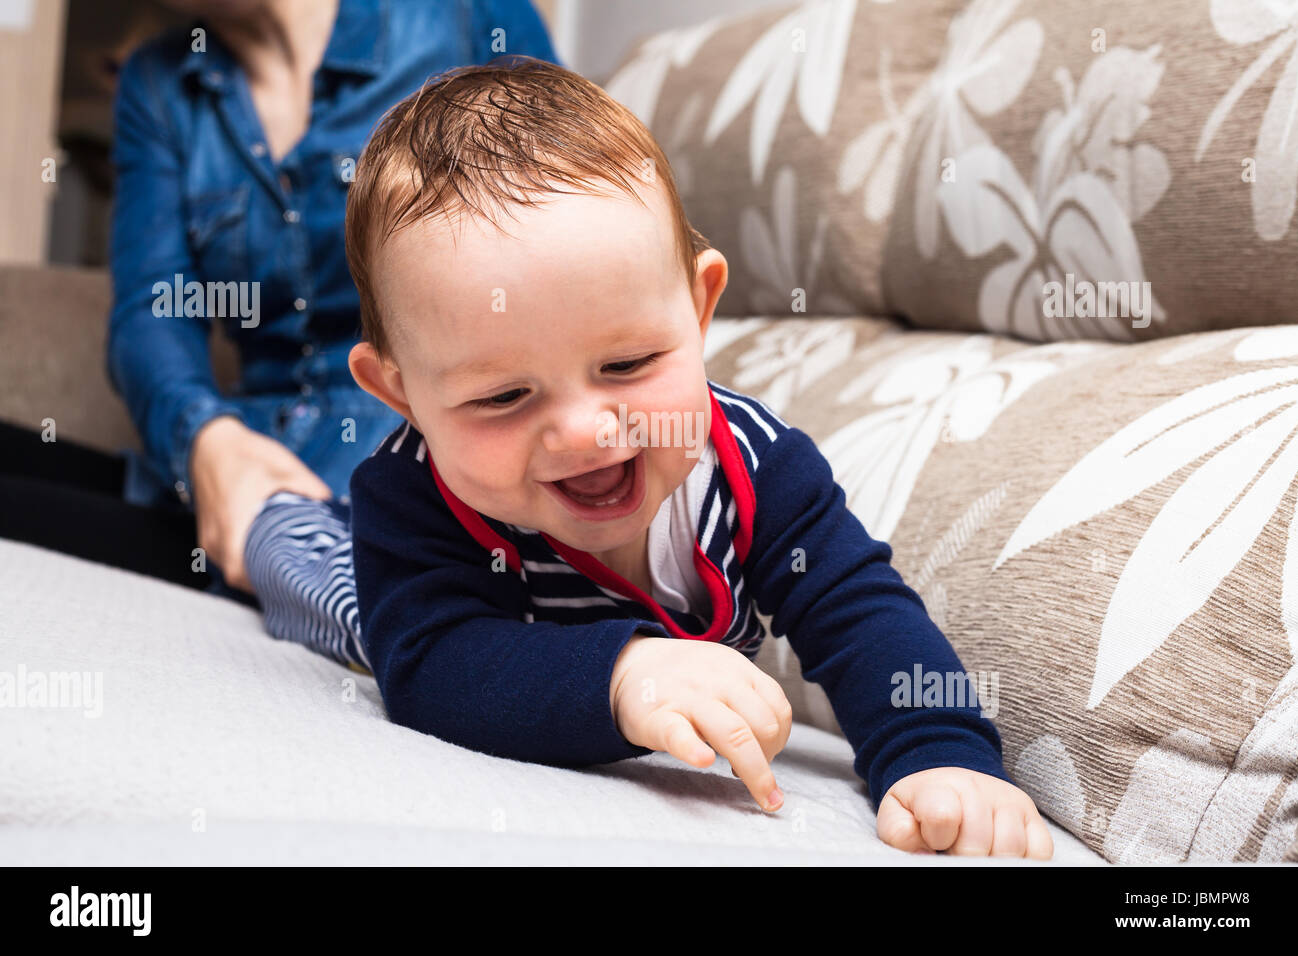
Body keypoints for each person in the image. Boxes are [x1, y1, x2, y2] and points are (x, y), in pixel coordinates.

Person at [241, 57, 1056, 858]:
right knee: (321, 582)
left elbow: (859, 612)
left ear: (700, 309)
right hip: (373, 577)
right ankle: (266, 514)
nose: (587, 433)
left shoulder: (757, 469)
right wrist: (620, 677)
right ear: (402, 395)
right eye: (502, 397)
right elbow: (431, 666)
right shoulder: (411, 489)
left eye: (626, 365)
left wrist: (940, 752)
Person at [0, 0, 558, 602]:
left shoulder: (466, 17)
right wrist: (206, 440)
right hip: (235, 468)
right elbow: (152, 310)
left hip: (398, 482)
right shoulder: (159, 82)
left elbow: (570, 227)